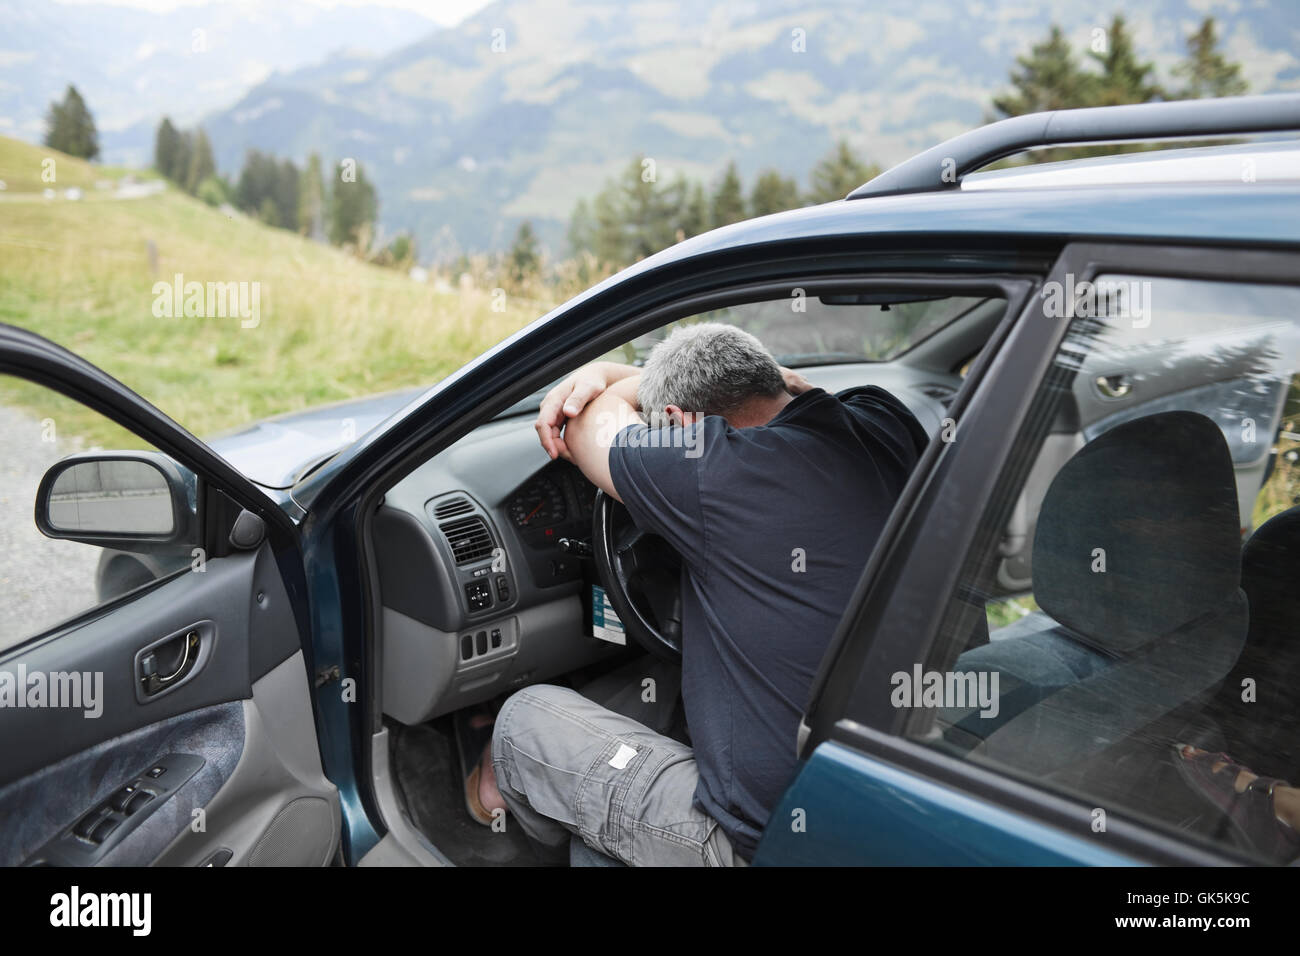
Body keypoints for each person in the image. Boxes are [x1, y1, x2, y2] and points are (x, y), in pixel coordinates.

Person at [463, 322, 929, 865]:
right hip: (894, 795)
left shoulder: (712, 471)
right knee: (661, 682)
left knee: (521, 721)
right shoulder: (883, 416)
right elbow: (795, 385)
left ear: (683, 424)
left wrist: (598, 374)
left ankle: (483, 803)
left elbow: (588, 423)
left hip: (763, 844)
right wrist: (671, 383)